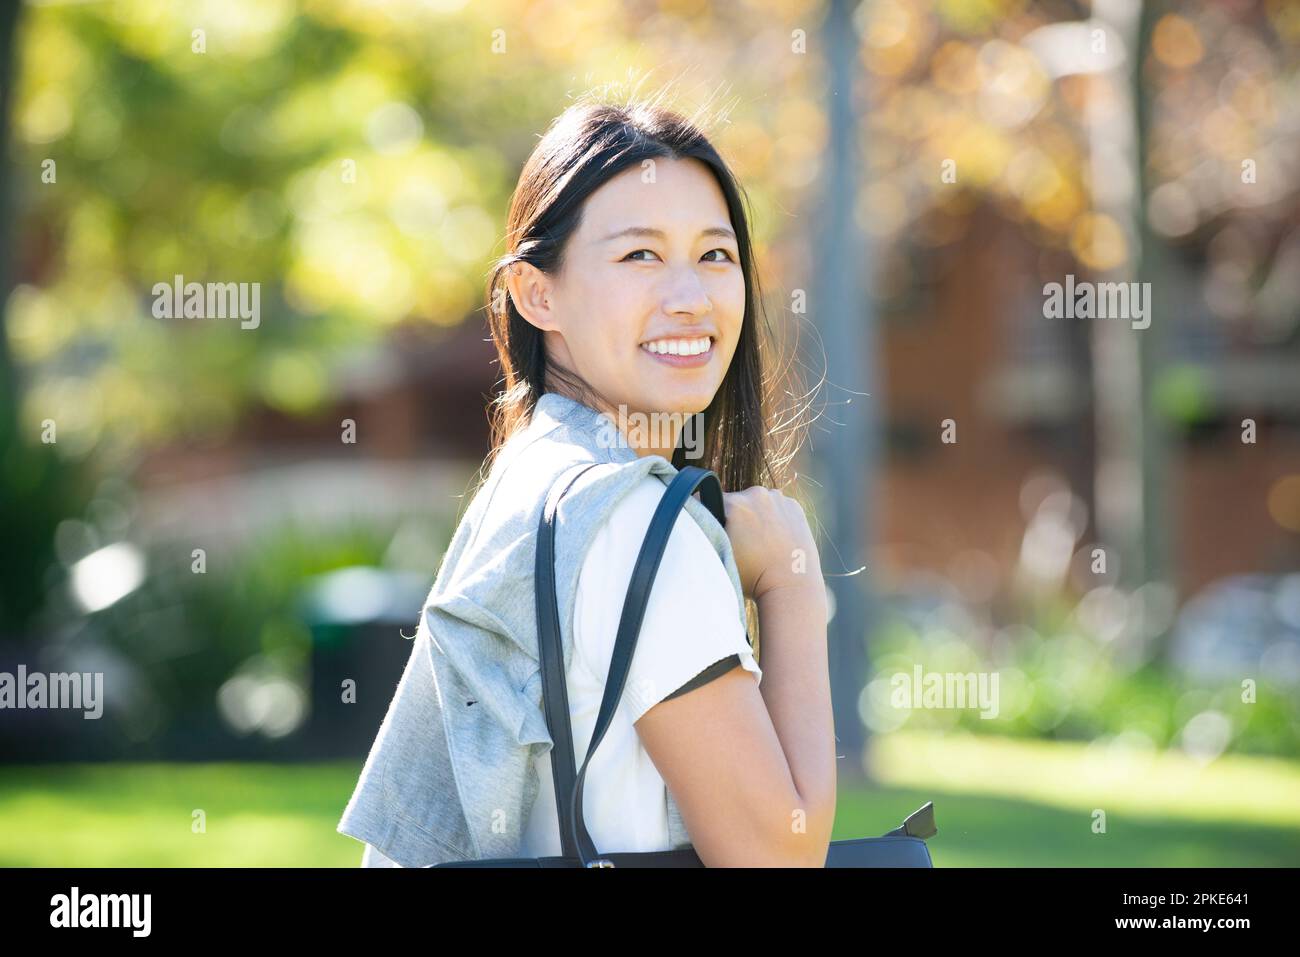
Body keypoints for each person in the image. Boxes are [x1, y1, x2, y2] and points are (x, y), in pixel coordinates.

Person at [339, 93, 836, 867]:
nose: (690, 297)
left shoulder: (535, 480)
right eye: (640, 255)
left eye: (715, 254)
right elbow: (781, 855)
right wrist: (793, 582)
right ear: (538, 294)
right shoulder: (633, 519)